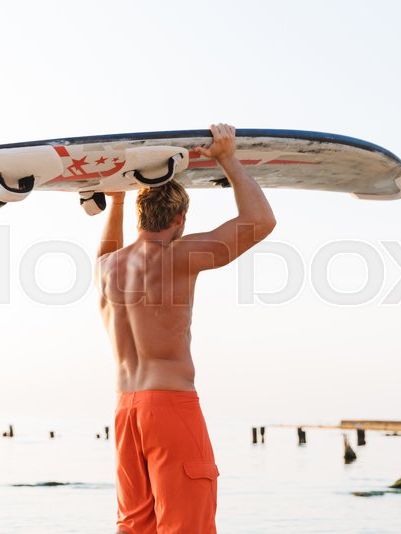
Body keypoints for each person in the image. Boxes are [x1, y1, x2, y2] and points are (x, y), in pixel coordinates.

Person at [95, 124, 276, 533]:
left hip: (126, 410)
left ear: (141, 214)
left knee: (135, 524)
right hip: (169, 407)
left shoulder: (107, 269)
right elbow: (260, 221)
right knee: (187, 524)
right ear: (180, 217)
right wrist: (227, 157)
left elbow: (107, 247)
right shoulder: (179, 256)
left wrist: (117, 197)